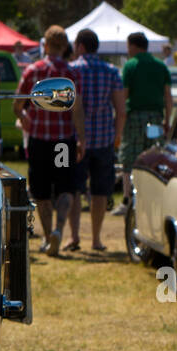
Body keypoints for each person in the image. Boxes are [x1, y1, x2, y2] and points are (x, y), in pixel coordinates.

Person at [13, 24, 86, 257]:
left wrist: (24, 117)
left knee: (41, 190)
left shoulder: (33, 70)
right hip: (63, 141)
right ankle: (58, 230)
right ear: (64, 46)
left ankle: (46, 237)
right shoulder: (71, 73)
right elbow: (77, 110)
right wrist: (81, 139)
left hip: (38, 140)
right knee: (65, 187)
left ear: (45, 44)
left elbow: (17, 104)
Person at [66, 28, 126, 252]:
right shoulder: (111, 71)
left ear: (80, 46)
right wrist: (117, 135)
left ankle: (73, 237)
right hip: (104, 139)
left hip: (74, 140)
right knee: (101, 191)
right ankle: (96, 239)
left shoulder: (71, 70)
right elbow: (121, 110)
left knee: (73, 188)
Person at [115, 32, 172, 215]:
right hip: (155, 118)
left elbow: (123, 95)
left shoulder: (131, 66)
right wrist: (167, 120)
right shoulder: (160, 66)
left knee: (129, 157)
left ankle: (127, 200)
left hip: (135, 118)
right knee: (154, 158)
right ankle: (154, 199)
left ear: (133, 46)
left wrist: (119, 122)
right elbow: (168, 96)